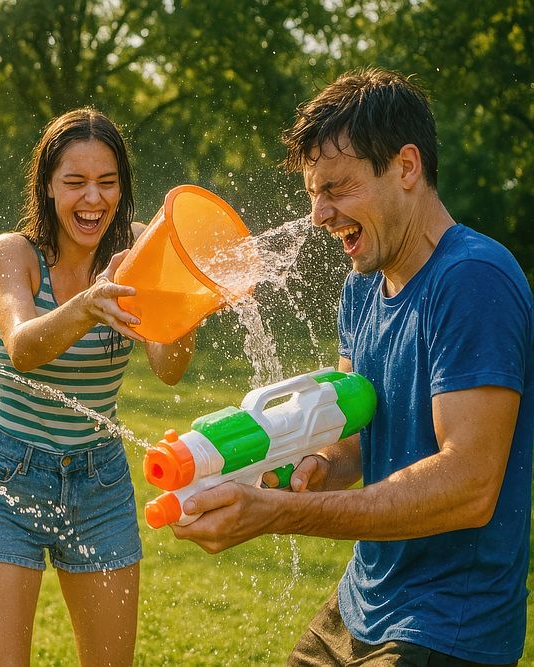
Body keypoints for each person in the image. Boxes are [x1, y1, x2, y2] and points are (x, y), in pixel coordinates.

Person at [171, 68, 533, 666]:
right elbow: (354, 432)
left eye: (337, 188)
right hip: (362, 603)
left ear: (406, 167)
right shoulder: (363, 285)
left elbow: (470, 487)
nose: (317, 214)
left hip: (446, 627)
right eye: (313, 192)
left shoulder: (473, 280)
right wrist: (301, 468)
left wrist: (283, 514)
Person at [0, 108, 197, 667]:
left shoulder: (139, 250)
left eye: (108, 183)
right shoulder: (14, 253)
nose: (94, 199)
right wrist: (87, 306)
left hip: (99, 485)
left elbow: (168, 365)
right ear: (47, 186)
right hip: (7, 478)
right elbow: (23, 347)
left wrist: (187, 308)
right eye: (75, 182)